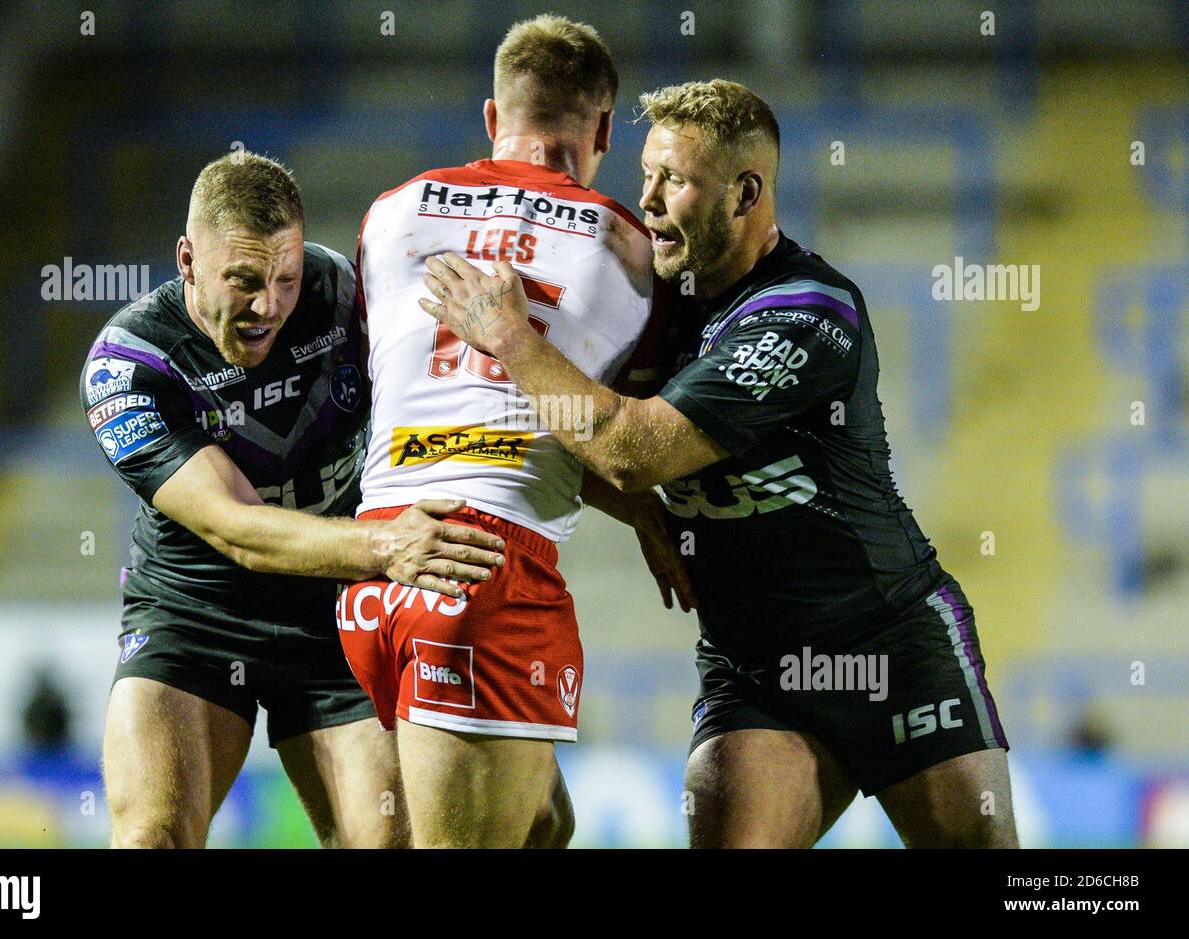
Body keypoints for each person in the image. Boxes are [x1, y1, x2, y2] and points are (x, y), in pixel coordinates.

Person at [420, 79, 1017, 848]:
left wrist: (510, 337)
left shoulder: (806, 313)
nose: (648, 200)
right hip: (753, 669)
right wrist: (639, 510)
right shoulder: (650, 302)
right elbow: (550, 428)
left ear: (746, 193)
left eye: (675, 180)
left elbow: (631, 449)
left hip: (891, 643)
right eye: (647, 174)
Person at [81, 151, 507, 848]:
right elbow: (236, 527)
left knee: (387, 843)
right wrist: (385, 544)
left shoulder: (341, 293)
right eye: (243, 281)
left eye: (285, 278)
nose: (268, 306)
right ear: (187, 261)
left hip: (334, 615)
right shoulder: (130, 362)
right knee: (152, 837)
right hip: (194, 614)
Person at [338, 15, 691, 848]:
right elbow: (609, 431)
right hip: (487, 569)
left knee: (545, 823)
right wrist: (648, 506)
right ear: (603, 130)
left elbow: (411, 388)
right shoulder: (633, 248)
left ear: (493, 117)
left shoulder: (390, 214)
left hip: (376, 560)